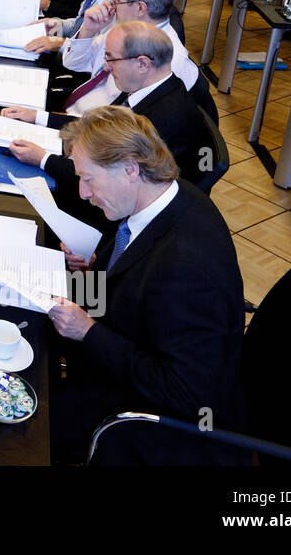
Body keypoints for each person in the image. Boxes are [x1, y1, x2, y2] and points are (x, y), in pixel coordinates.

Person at [44, 106, 246, 465]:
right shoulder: (167, 195)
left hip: (149, 421)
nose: (83, 192)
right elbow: (136, 272)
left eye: (89, 179)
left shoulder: (185, 271)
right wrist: (94, 269)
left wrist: (87, 331)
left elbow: (184, 391)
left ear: (130, 169)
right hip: (121, 339)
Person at [7, 23, 206, 184]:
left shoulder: (161, 119)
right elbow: (97, 128)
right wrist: (37, 117)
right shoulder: (147, 88)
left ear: (142, 64)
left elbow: (105, 178)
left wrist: (42, 159)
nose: (106, 67)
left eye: (111, 59)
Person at [59, 0, 202, 96]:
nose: (110, 7)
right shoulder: (126, 29)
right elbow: (73, 62)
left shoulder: (168, 63)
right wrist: (88, 31)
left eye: (115, 1)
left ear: (140, 7)